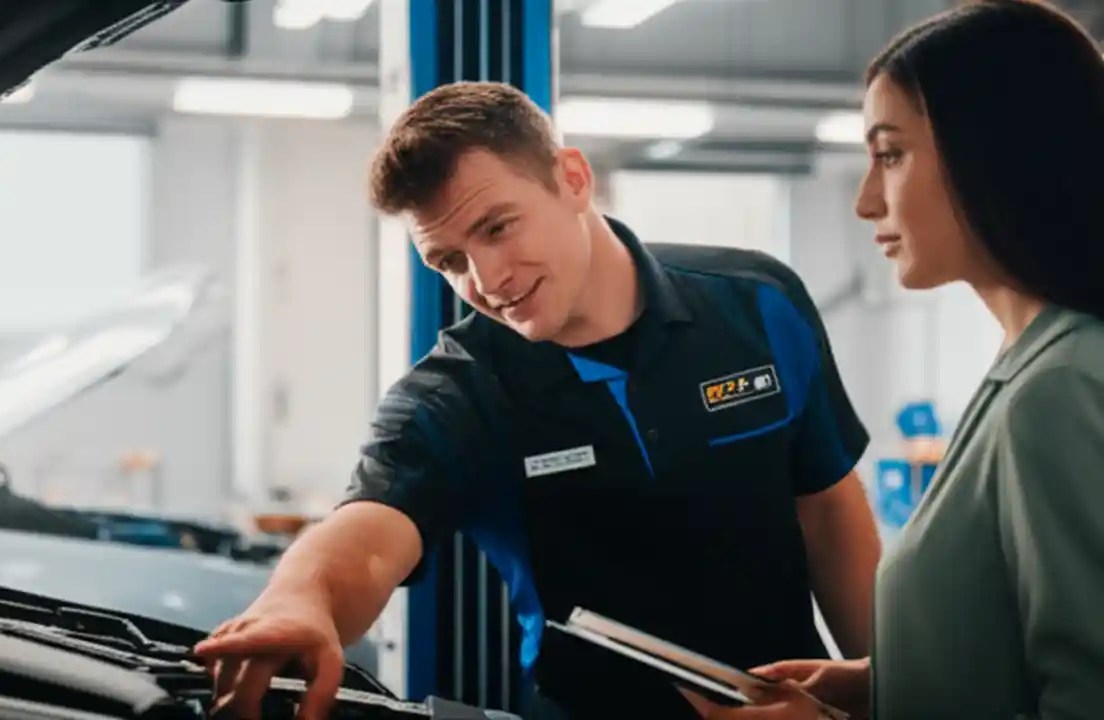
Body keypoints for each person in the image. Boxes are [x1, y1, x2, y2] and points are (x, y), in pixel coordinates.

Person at [193, 80, 882, 719]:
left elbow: (827, 507)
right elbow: (368, 538)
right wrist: (298, 600)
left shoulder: (758, 304)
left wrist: (893, 688)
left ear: (572, 180)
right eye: (450, 261)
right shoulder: (460, 392)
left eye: (498, 227)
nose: (488, 279)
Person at [681, 1, 1104, 718]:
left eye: (891, 154)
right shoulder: (1030, 365)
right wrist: (878, 683)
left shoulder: (1062, 386)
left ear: (992, 153)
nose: (866, 201)